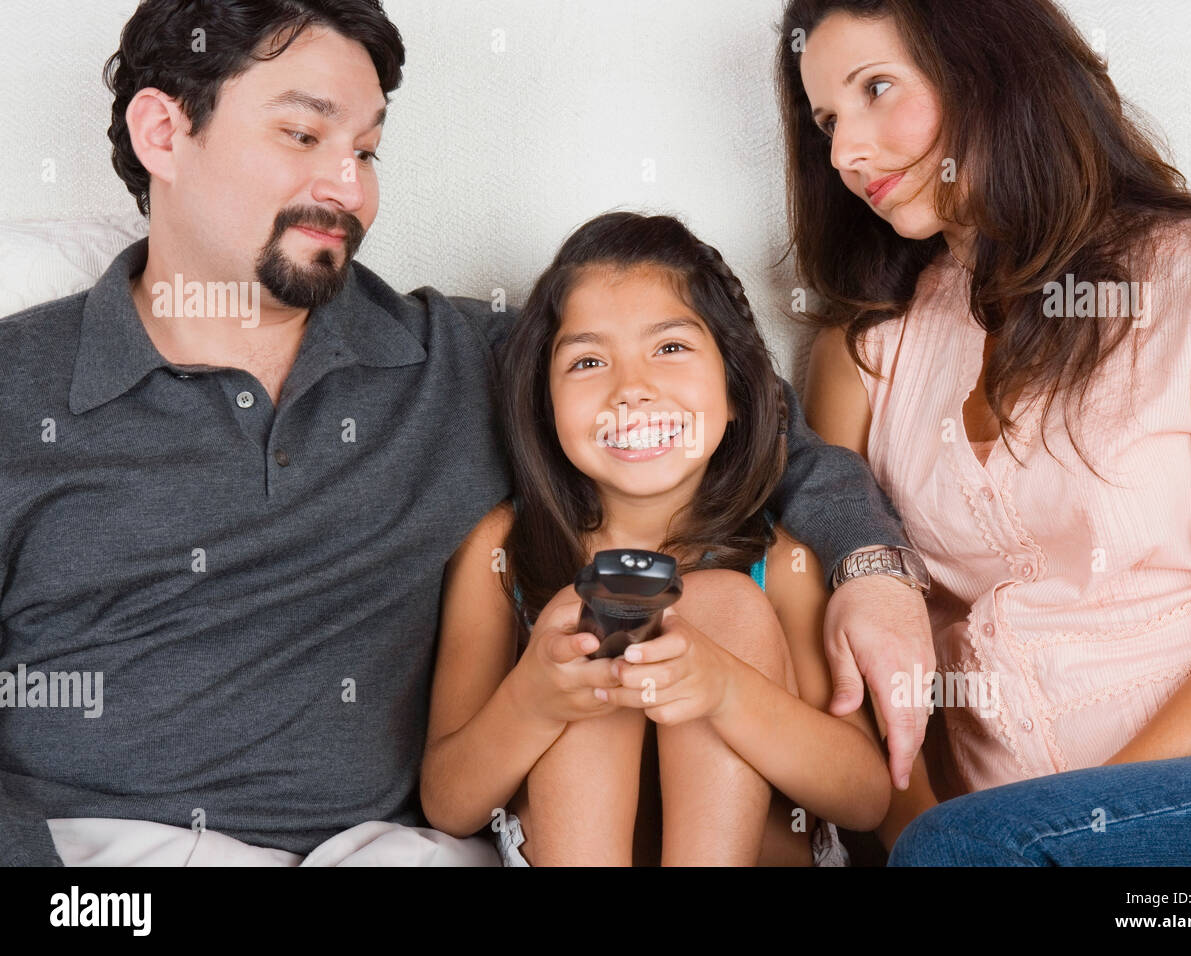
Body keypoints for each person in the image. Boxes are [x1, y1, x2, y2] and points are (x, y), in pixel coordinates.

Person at [0, 0, 925, 866]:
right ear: (164, 132)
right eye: (303, 133)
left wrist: (872, 567)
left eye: (366, 150)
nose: (347, 185)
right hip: (102, 857)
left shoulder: (467, 358)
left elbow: (745, 420)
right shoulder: (17, 387)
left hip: (380, 850)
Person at [778, 0, 1191, 863]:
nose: (844, 152)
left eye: (877, 89)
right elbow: (836, 616)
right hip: (978, 839)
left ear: (990, 68)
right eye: (826, 121)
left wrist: (1068, 836)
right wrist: (919, 832)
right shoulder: (869, 352)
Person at [421, 212, 892, 865]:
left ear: (734, 392)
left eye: (669, 348)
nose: (631, 390)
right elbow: (448, 803)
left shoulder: (782, 560)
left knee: (721, 604)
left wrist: (725, 690)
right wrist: (534, 699)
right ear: (543, 406)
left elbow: (866, 797)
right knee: (580, 621)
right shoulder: (502, 547)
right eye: (588, 360)